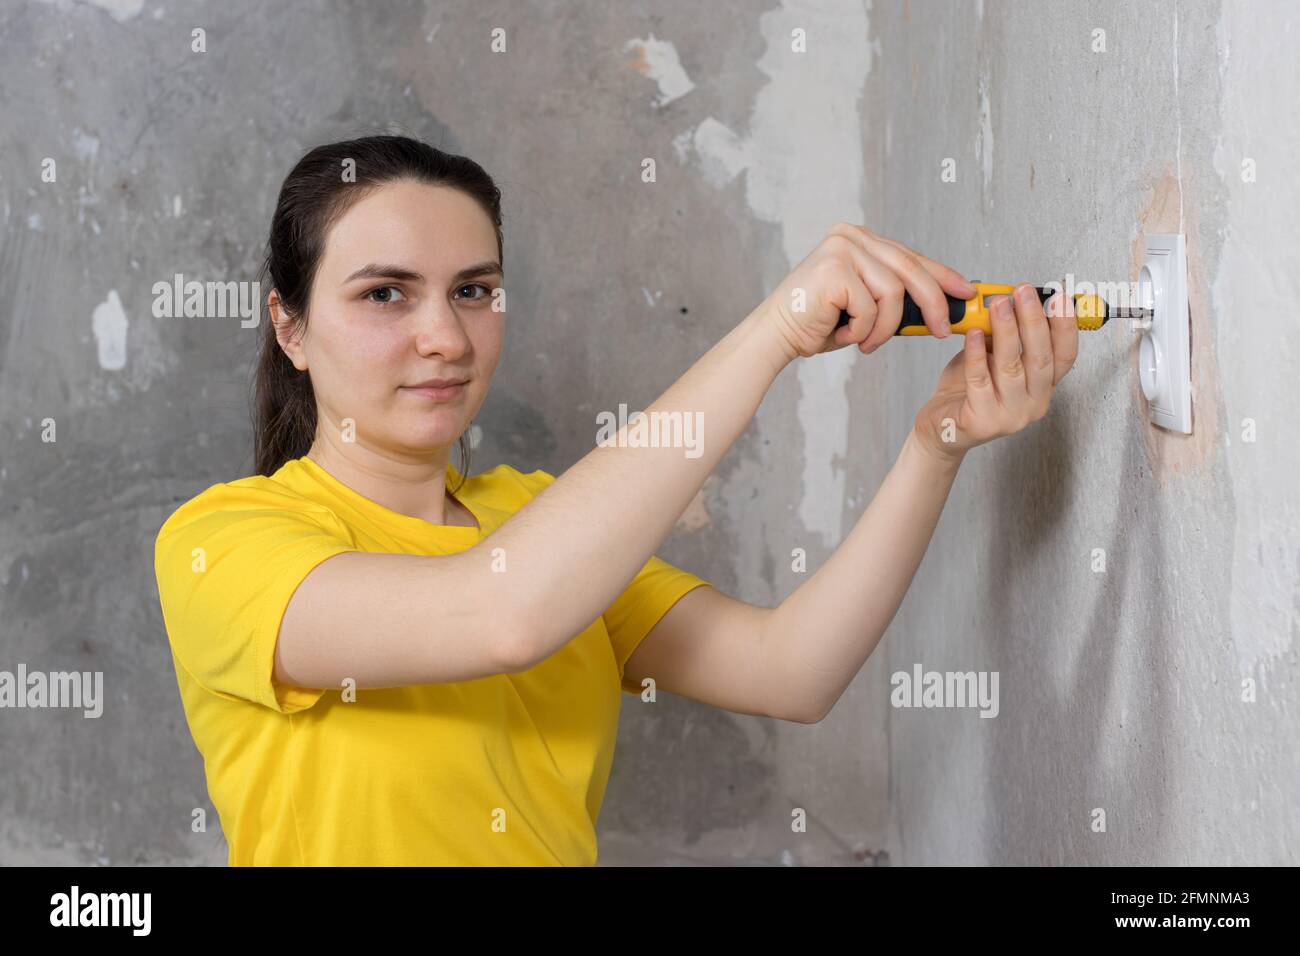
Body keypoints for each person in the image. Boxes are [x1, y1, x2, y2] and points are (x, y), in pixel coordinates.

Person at [153, 134, 1077, 866]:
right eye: (385, 293)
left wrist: (937, 442)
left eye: (474, 291)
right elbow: (500, 615)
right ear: (291, 326)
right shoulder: (222, 544)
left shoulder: (539, 519)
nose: (444, 335)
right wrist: (774, 331)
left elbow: (790, 671)